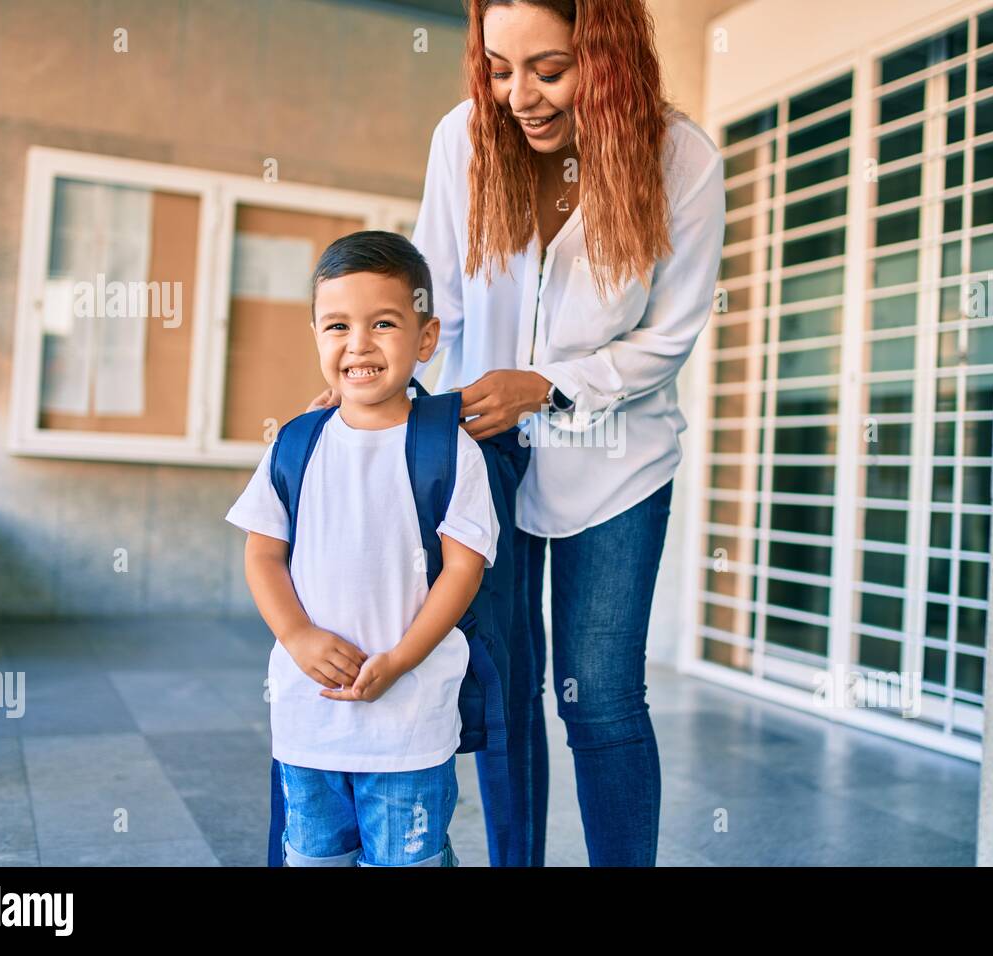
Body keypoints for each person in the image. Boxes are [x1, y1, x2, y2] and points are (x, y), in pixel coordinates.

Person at [310, 0, 725, 866]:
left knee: (601, 698)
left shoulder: (681, 159)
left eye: (550, 69)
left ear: (606, 55)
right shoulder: (462, 140)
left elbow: (669, 335)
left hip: (618, 466)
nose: (520, 96)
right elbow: (435, 309)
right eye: (500, 69)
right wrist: (373, 389)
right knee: (502, 691)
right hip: (481, 458)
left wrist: (549, 386)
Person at [228, 230, 500, 867]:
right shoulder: (295, 443)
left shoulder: (451, 451)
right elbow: (262, 554)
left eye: (384, 323)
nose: (359, 345)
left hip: (410, 724)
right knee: (315, 856)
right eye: (337, 326)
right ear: (316, 335)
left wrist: (402, 658)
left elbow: (462, 571)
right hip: (309, 722)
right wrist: (297, 637)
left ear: (425, 338)